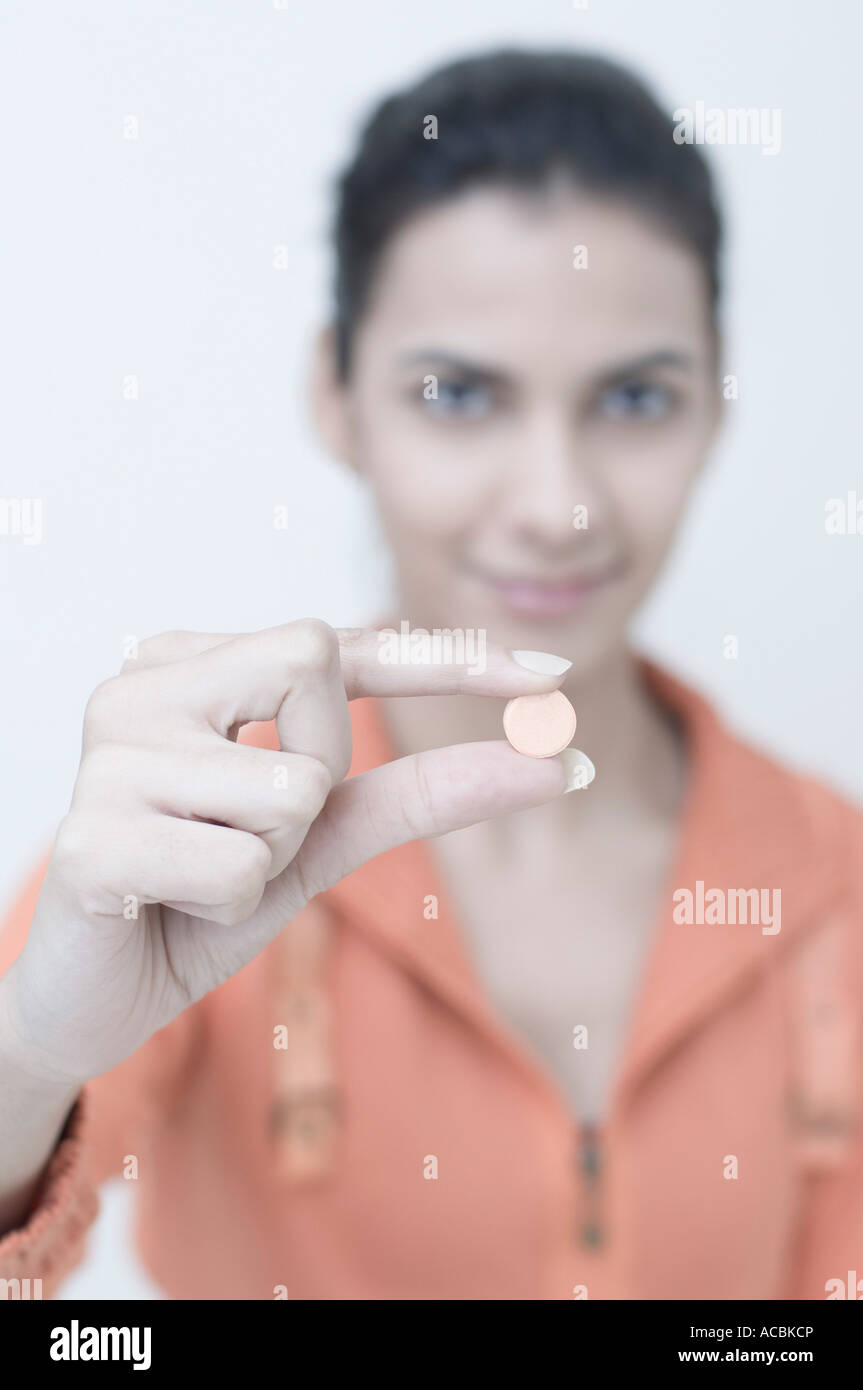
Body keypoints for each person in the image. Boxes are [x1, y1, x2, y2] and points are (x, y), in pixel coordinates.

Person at [1, 49, 861, 1302]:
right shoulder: (189, 838)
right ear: (336, 396)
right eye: (457, 392)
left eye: (634, 395)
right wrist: (28, 1059)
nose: (558, 506)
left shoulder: (833, 878)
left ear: (713, 402)